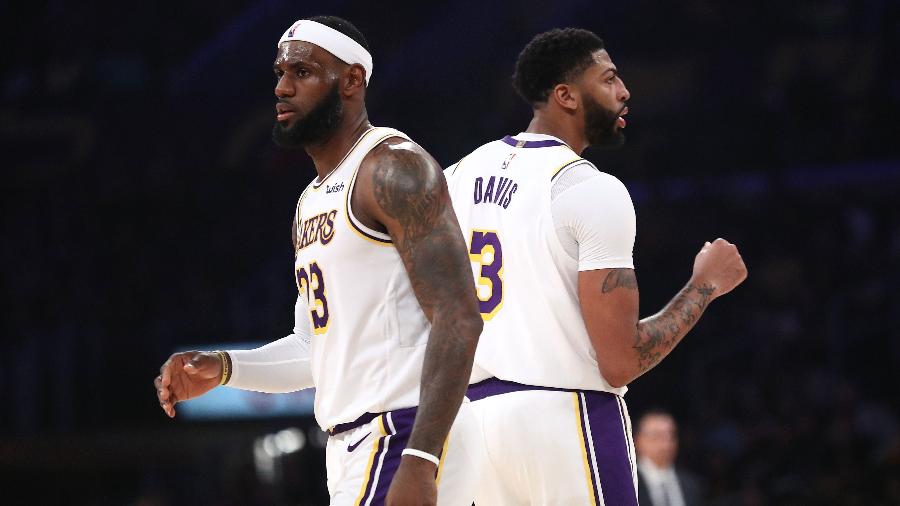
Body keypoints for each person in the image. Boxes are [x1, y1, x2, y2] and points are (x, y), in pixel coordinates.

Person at [153, 16, 484, 506]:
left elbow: (459, 316)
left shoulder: (393, 167)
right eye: (280, 74)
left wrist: (422, 458)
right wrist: (225, 368)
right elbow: (314, 350)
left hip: (403, 432)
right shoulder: (311, 200)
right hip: (357, 444)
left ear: (352, 80)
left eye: (302, 73)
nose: (283, 88)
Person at [443, 28, 747, 505]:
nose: (624, 92)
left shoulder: (456, 176)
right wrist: (704, 286)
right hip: (563, 417)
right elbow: (620, 360)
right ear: (565, 95)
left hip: (471, 426)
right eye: (608, 80)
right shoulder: (590, 189)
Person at [635, 410, 705, 506]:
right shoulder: (626, 485)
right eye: (657, 436)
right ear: (638, 440)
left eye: (671, 436)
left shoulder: (692, 485)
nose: (666, 444)